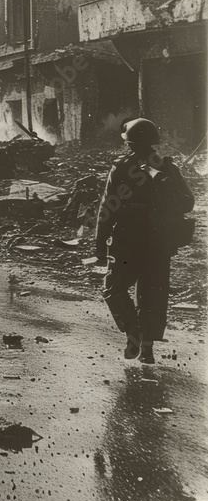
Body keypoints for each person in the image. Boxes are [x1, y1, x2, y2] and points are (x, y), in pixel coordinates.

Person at [94, 117, 194, 364]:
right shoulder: (168, 168)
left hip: (128, 241)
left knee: (113, 288)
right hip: (159, 243)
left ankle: (134, 334)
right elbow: (188, 202)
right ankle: (146, 346)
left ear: (129, 144)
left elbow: (108, 207)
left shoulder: (122, 168)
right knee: (153, 294)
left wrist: (100, 241)